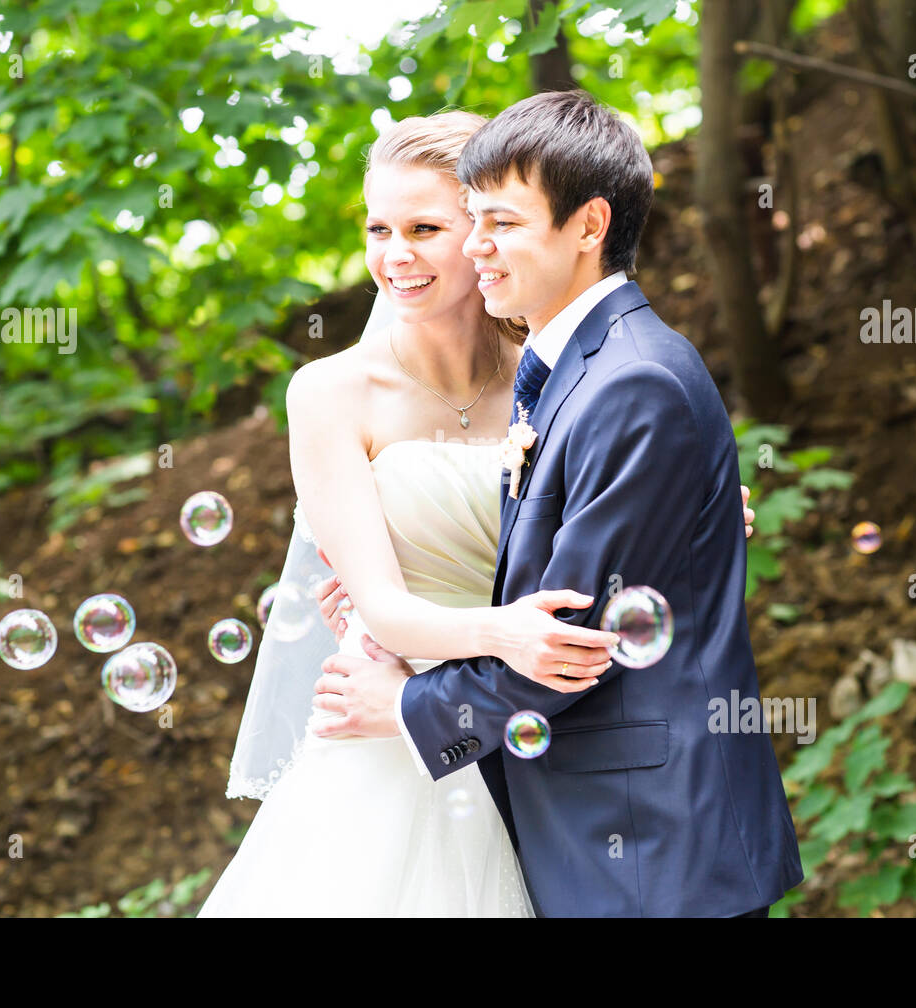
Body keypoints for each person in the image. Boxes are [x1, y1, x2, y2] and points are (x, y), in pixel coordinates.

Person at [311, 91, 803, 918]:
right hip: (565, 808)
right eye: (469, 222)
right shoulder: (569, 366)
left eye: (495, 224)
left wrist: (398, 706)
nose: (474, 247)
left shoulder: (629, 378)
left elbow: (569, 644)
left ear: (588, 225)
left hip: (647, 843)